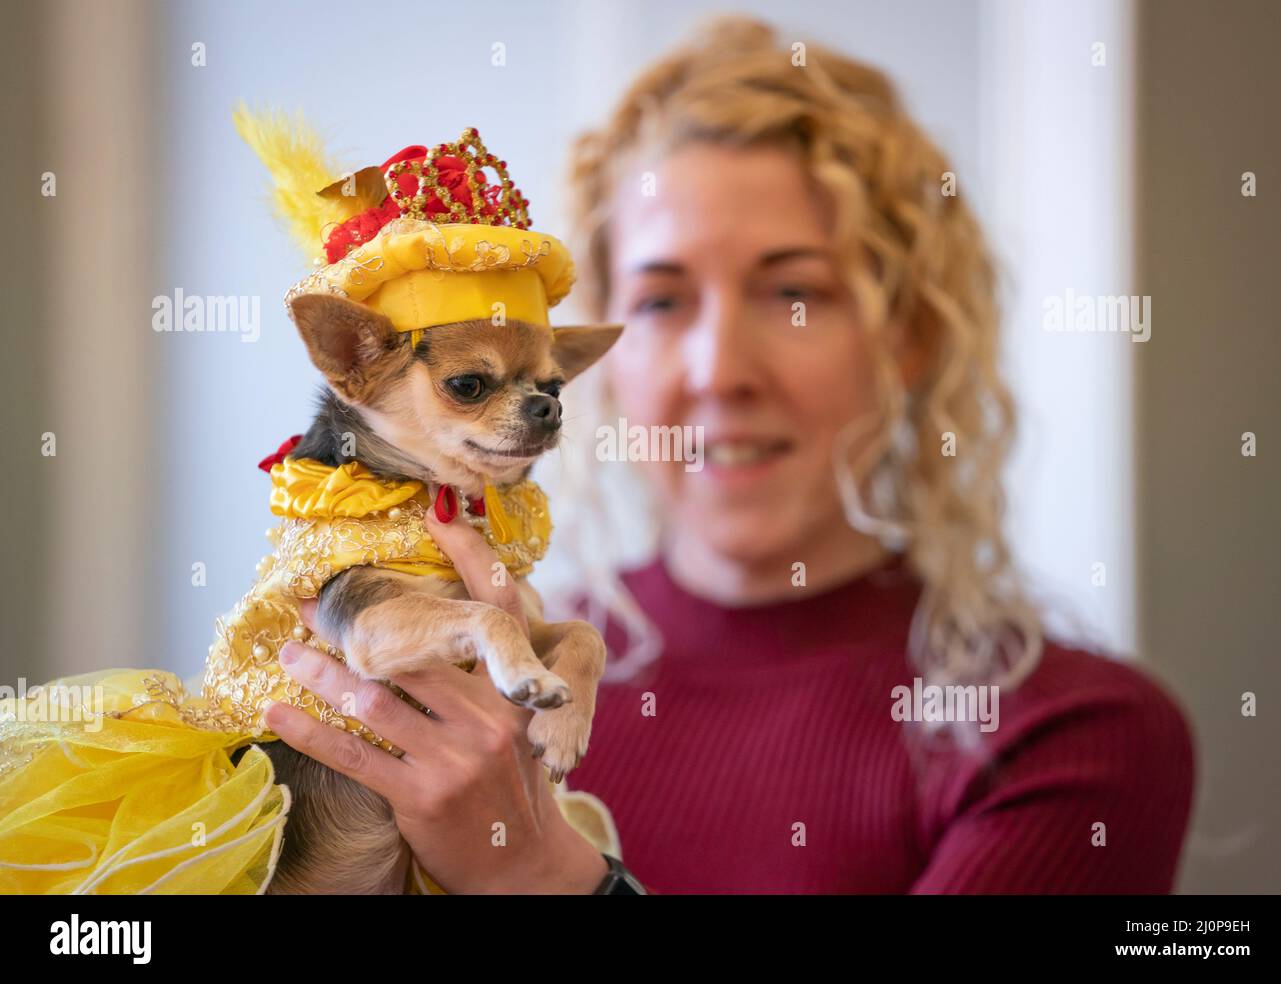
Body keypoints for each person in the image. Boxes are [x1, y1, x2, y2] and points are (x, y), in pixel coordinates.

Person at [267, 16, 1196, 893]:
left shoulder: (1069, 734)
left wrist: (546, 875)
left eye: (793, 292)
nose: (719, 371)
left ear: (907, 336)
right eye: (665, 302)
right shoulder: (477, 668)